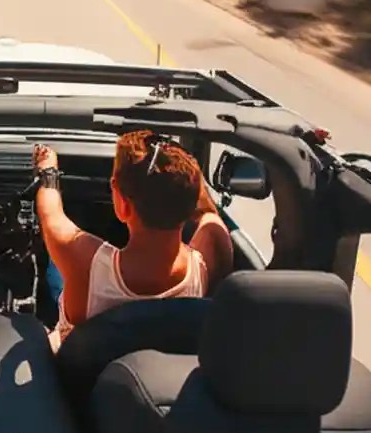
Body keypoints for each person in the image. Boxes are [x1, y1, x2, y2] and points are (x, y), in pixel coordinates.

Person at [34, 130, 234, 348]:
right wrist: (181, 175)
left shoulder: (84, 261)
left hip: (80, 379)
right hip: (165, 377)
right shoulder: (212, 249)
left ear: (123, 205)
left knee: (56, 269)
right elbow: (207, 212)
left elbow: (51, 214)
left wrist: (48, 169)